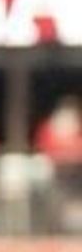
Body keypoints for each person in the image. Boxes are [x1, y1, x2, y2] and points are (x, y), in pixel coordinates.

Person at [36, 97, 82, 234]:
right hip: (56, 175)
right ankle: (52, 229)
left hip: (77, 173)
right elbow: (44, 148)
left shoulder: (79, 129)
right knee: (54, 201)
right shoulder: (49, 128)